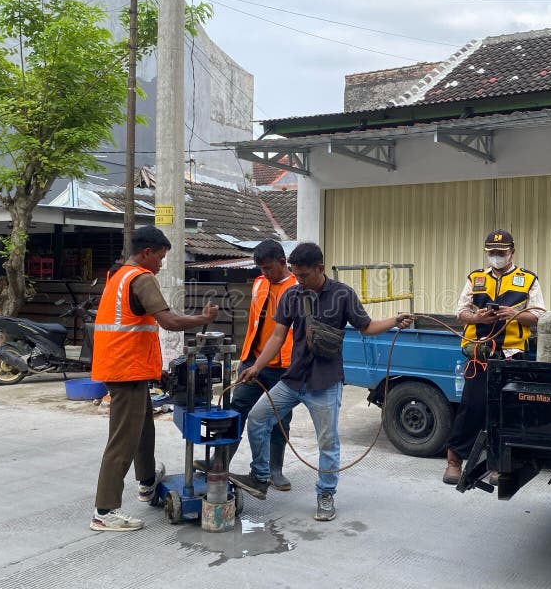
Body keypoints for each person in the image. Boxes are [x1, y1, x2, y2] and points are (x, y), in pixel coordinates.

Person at [230, 242, 415, 521]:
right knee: (257, 418)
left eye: (303, 275)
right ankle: (260, 475)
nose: (299, 281)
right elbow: (278, 336)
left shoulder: (343, 295)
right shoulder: (292, 295)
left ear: (320, 268)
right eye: (295, 274)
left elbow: (366, 327)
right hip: (293, 379)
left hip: (325, 382)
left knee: (327, 441)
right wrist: (256, 366)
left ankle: (325, 494)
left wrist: (393, 320)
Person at [89, 225, 219, 531]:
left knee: (142, 429)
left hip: (126, 368)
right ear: (146, 253)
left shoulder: (118, 276)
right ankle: (104, 511)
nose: (161, 264)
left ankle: (147, 483)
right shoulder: (141, 278)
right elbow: (169, 320)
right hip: (126, 371)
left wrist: (153, 370)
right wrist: (203, 319)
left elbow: (134, 328)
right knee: (122, 441)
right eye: (160, 257)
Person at [443, 229, 545, 484]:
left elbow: (540, 317)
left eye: (501, 252)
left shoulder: (528, 279)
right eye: (492, 253)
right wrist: (477, 318)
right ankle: (454, 461)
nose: (496, 257)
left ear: (512, 251)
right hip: (480, 355)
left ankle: (499, 466)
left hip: (511, 356)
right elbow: (460, 312)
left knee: (506, 412)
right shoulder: (475, 278)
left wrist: (513, 313)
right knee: (471, 407)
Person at [194, 239, 297, 490]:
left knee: (279, 419)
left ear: (283, 263)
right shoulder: (260, 284)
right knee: (237, 410)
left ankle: (275, 471)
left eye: (269, 268)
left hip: (284, 366)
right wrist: (246, 359)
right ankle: (221, 463)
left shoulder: (298, 288)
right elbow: (254, 323)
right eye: (261, 269)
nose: (264, 273)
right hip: (254, 363)